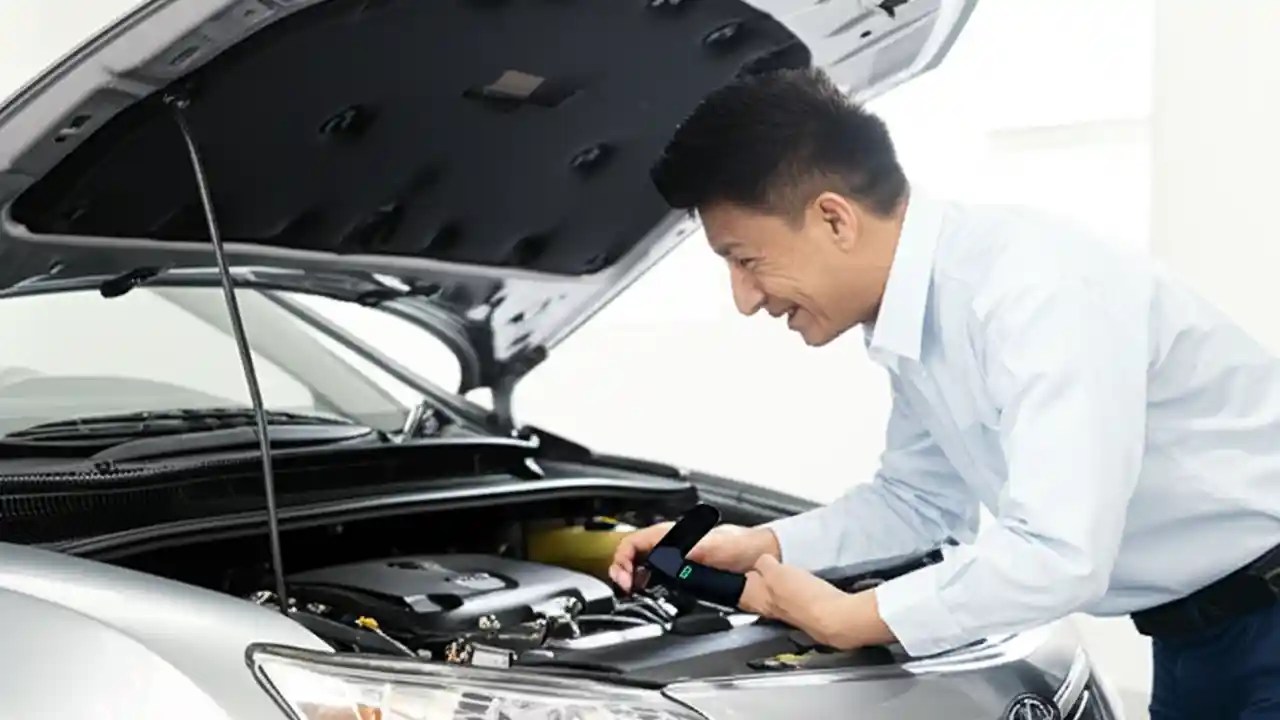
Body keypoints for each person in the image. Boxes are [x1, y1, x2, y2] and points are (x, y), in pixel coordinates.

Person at [608, 67, 1280, 719]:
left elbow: (1060, 554)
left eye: (746, 260)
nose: (745, 300)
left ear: (835, 219)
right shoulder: (921, 312)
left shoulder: (1031, 294)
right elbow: (920, 502)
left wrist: (854, 616)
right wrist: (763, 546)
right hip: (1197, 635)